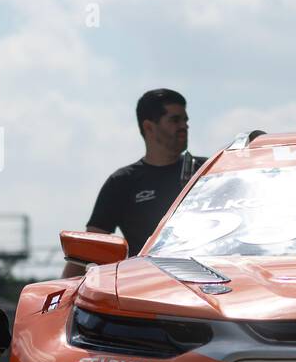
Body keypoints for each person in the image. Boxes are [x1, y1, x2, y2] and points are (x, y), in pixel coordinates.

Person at [65, 88, 206, 276]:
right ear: (148, 127)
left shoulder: (208, 171)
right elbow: (87, 251)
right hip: (145, 289)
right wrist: (59, 296)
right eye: (175, 120)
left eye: (185, 120)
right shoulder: (122, 183)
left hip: (208, 283)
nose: (184, 126)